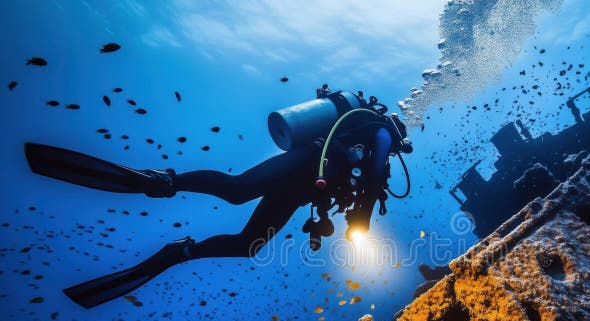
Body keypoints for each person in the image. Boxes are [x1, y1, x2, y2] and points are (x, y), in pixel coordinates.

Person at [25, 86, 412, 308]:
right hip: (306, 163)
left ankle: (181, 251)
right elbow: (374, 174)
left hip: (300, 187)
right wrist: (361, 223)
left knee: (248, 244)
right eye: (399, 144)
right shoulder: (380, 134)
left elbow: (361, 182)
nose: (396, 149)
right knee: (237, 189)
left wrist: (352, 211)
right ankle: (163, 181)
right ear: (396, 134)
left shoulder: (369, 135)